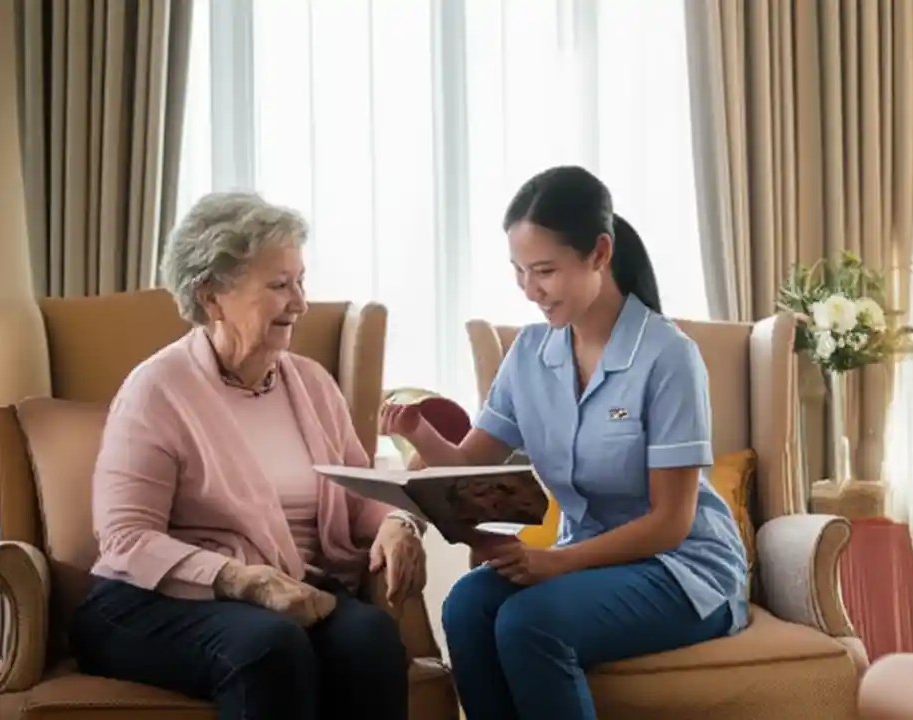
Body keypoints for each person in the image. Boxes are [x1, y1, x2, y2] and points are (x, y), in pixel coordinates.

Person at [380, 165, 748, 720]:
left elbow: (671, 523)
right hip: (588, 562)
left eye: (545, 271)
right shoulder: (530, 354)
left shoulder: (668, 357)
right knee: (465, 606)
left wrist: (556, 564)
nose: (531, 291)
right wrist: (416, 434)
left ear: (599, 254)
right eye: (520, 272)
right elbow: (466, 463)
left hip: (682, 569)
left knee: (532, 622)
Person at [69, 191, 426, 720]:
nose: (300, 302)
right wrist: (243, 580)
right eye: (279, 286)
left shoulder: (311, 383)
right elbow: (126, 539)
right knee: (269, 646)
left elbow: (359, 496)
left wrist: (396, 521)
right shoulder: (157, 390)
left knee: (369, 637)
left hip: (289, 593)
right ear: (212, 297)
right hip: (151, 601)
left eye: (300, 281)